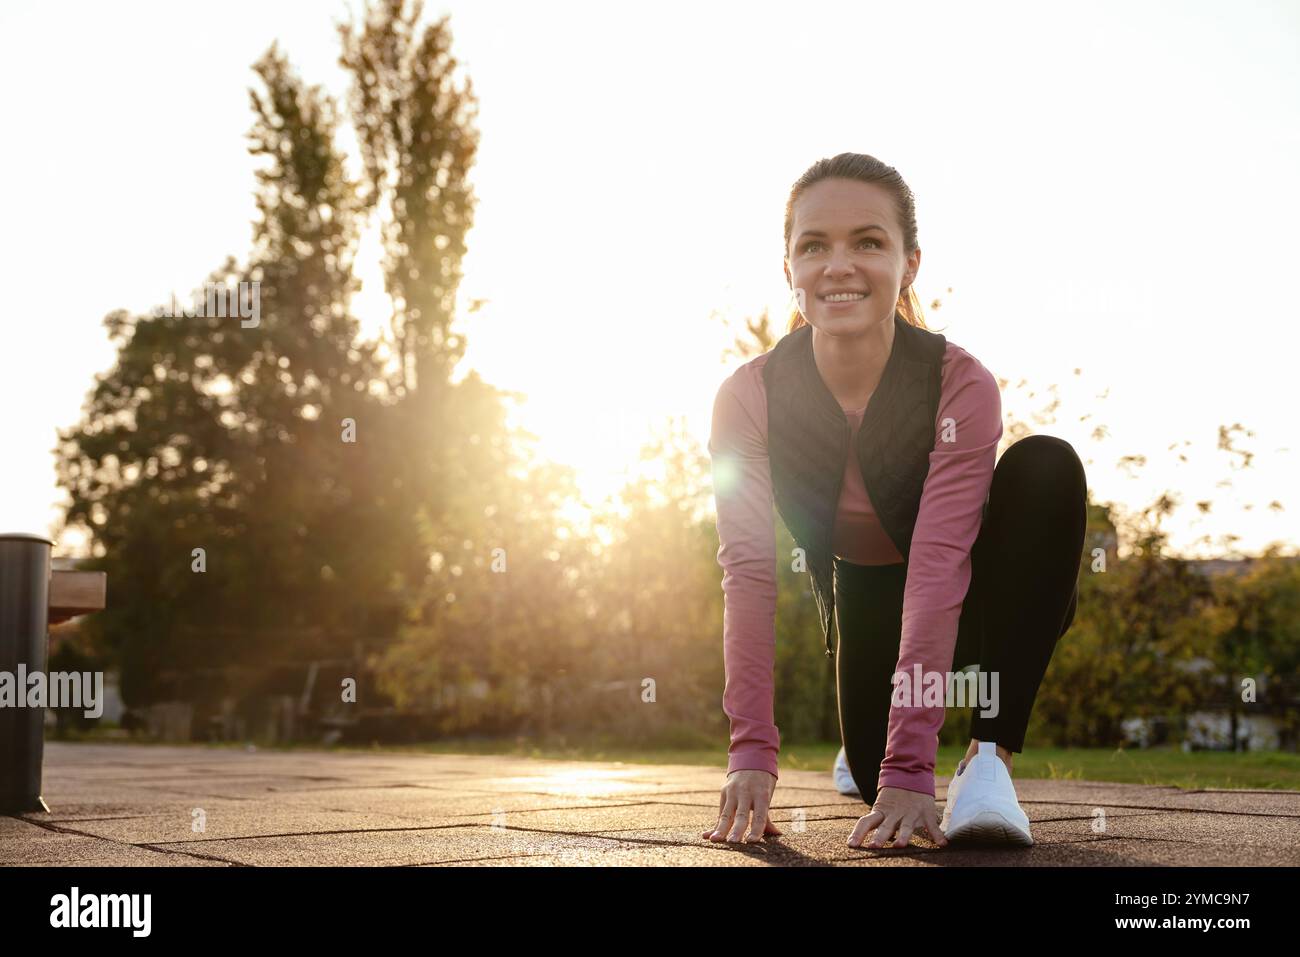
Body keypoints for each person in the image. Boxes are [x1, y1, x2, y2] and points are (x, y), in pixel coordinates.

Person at [701, 153, 1087, 850]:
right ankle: (865, 752)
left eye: (868, 242)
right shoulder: (748, 396)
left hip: (974, 593)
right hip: (870, 592)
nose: (838, 265)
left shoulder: (959, 383)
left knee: (1046, 466)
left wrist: (914, 768)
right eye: (814, 245)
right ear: (787, 268)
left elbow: (940, 565)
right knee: (874, 767)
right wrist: (750, 755)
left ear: (909, 262)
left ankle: (988, 758)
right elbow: (750, 573)